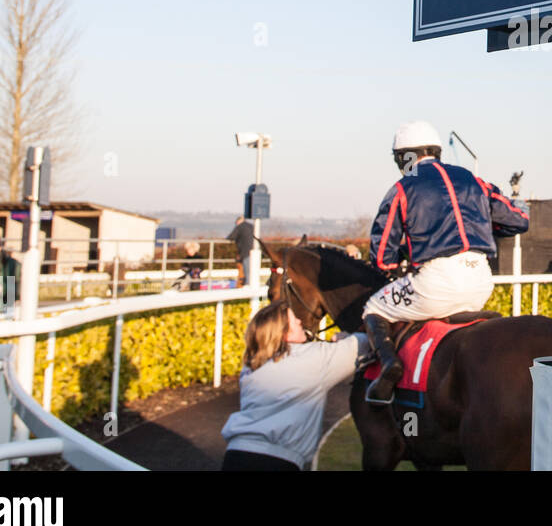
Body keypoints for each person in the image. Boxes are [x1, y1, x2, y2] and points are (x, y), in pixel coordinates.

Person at [363, 120, 529, 404]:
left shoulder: (402, 188)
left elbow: (381, 257)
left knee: (373, 308)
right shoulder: (474, 180)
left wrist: (395, 265)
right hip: (480, 282)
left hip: (435, 285)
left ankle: (390, 367)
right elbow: (519, 220)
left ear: (405, 156)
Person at [221, 300, 368, 470]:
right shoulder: (314, 359)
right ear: (284, 333)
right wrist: (343, 338)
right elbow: (363, 345)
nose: (300, 321)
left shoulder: (251, 365)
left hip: (235, 455)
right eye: (294, 320)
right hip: (276, 462)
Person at [227, 216, 256, 287]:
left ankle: (247, 284)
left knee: (246, 268)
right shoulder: (251, 226)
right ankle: (249, 283)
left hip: (245, 251)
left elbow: (231, 237)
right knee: (251, 268)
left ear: (238, 221)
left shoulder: (240, 227)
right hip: (253, 249)